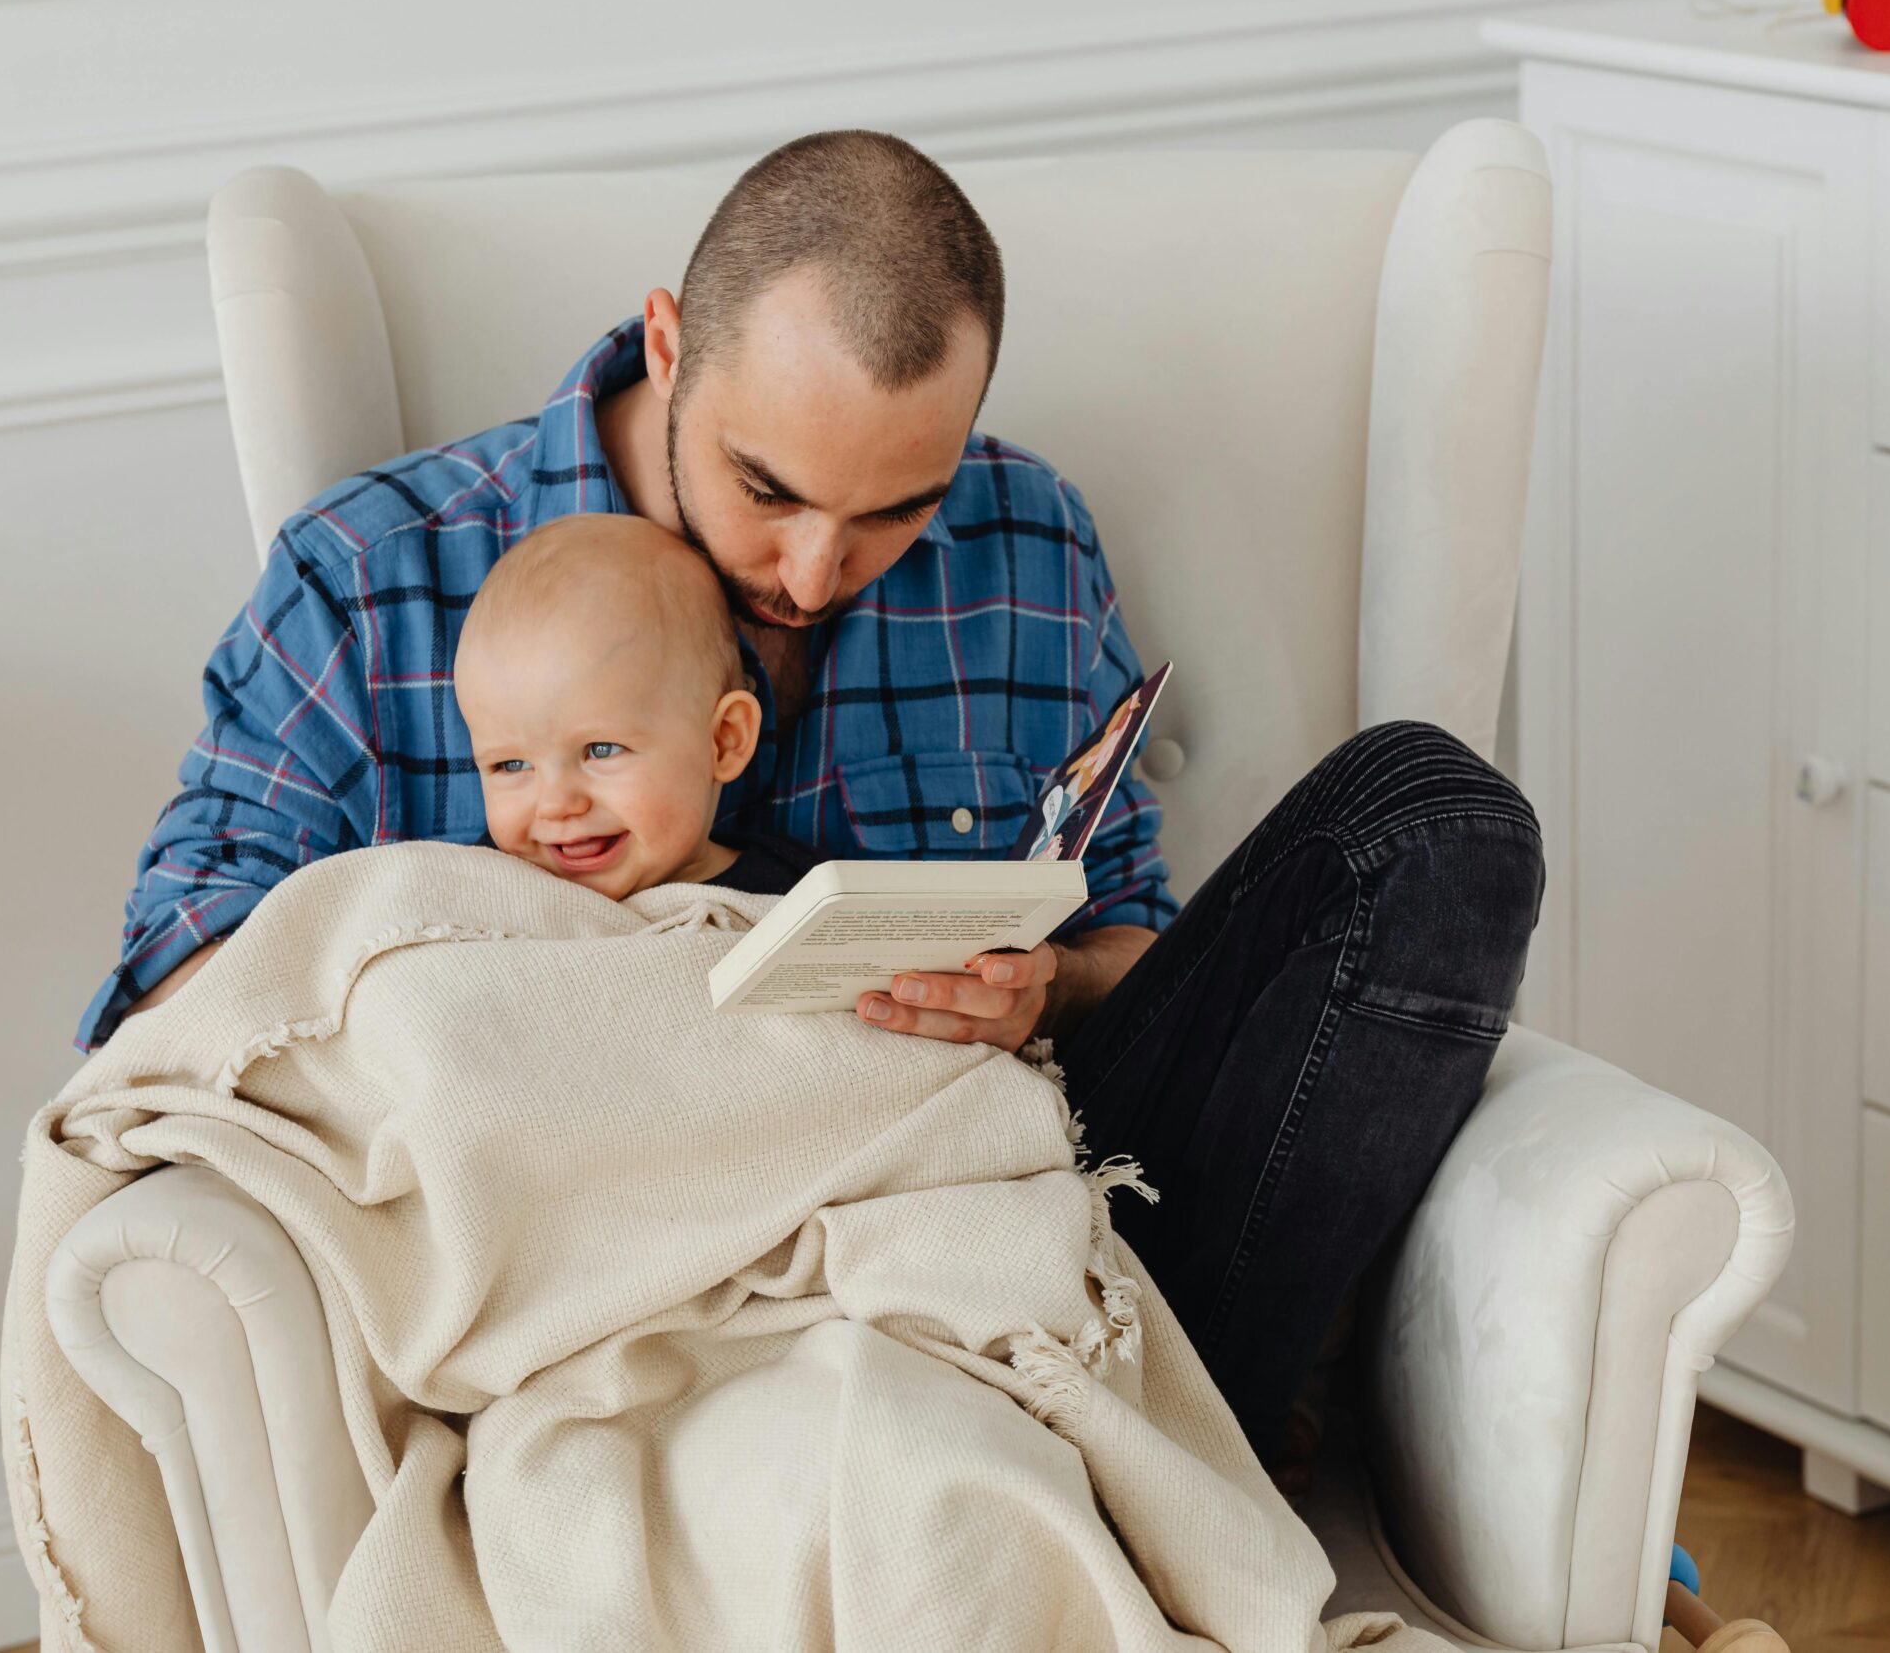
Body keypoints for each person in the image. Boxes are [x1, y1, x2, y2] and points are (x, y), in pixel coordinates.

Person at [86, 128, 1542, 1489]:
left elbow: (1138, 947)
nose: (812, 571)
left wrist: (1046, 985)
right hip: (619, 1278)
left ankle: (1132, 1440)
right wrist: (537, 1004)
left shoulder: (1026, 541)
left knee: (1433, 820)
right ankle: (1137, 1475)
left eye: (896, 510)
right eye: (766, 488)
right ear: (668, 344)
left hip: (995, 1219)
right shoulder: (372, 578)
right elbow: (176, 986)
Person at [454, 513, 822, 901]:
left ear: (723, 740)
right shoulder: (478, 889)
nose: (556, 804)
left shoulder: (802, 893)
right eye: (511, 765)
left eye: (601, 750)